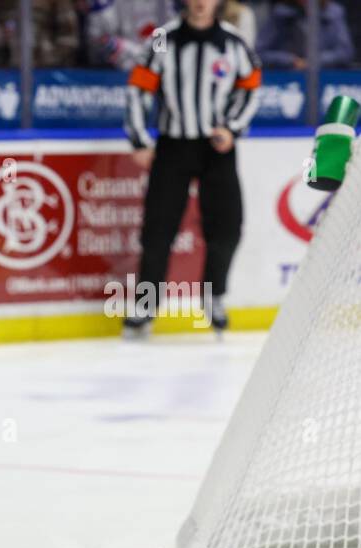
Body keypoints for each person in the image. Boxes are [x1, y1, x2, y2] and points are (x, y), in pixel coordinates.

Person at [123, 0, 261, 336]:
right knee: (158, 227)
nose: (201, 2)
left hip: (216, 147)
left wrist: (232, 127)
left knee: (227, 224)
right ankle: (146, 303)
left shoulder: (233, 41)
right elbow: (138, 89)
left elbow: (251, 87)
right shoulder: (161, 39)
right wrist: (140, 140)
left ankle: (214, 296)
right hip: (174, 145)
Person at [258, 0, 354, 70]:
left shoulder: (334, 13)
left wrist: (313, 61)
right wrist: (290, 61)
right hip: (287, 78)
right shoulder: (280, 14)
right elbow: (260, 53)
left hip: (327, 77)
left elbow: (345, 53)